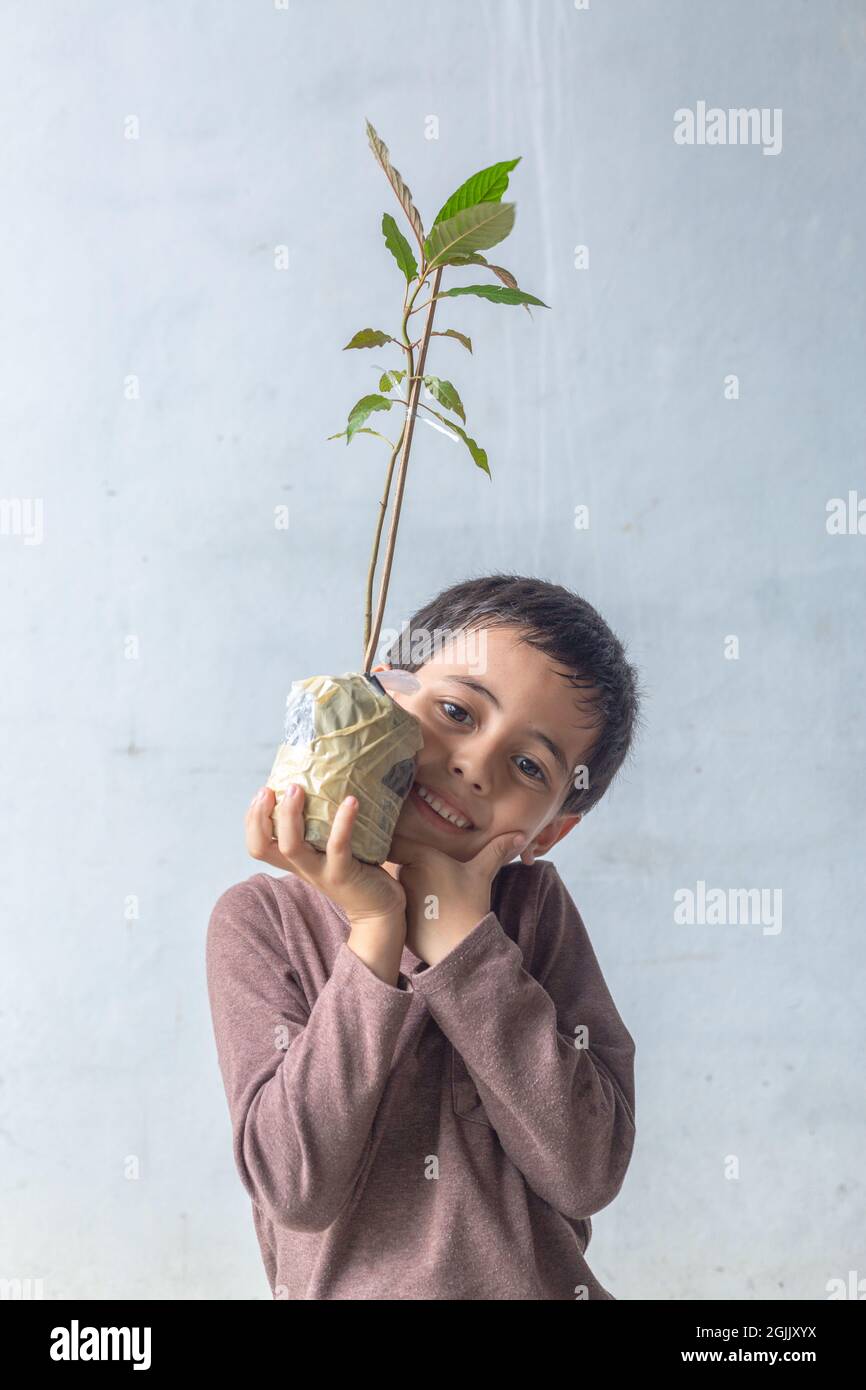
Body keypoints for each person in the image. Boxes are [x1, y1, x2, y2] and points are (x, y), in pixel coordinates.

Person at [206, 572, 645, 1299]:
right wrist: (378, 930)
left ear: (552, 832)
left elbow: (587, 1170)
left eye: (529, 765)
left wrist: (464, 940)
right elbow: (294, 1187)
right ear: (385, 688)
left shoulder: (536, 912)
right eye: (456, 711)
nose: (476, 765)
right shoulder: (261, 923)